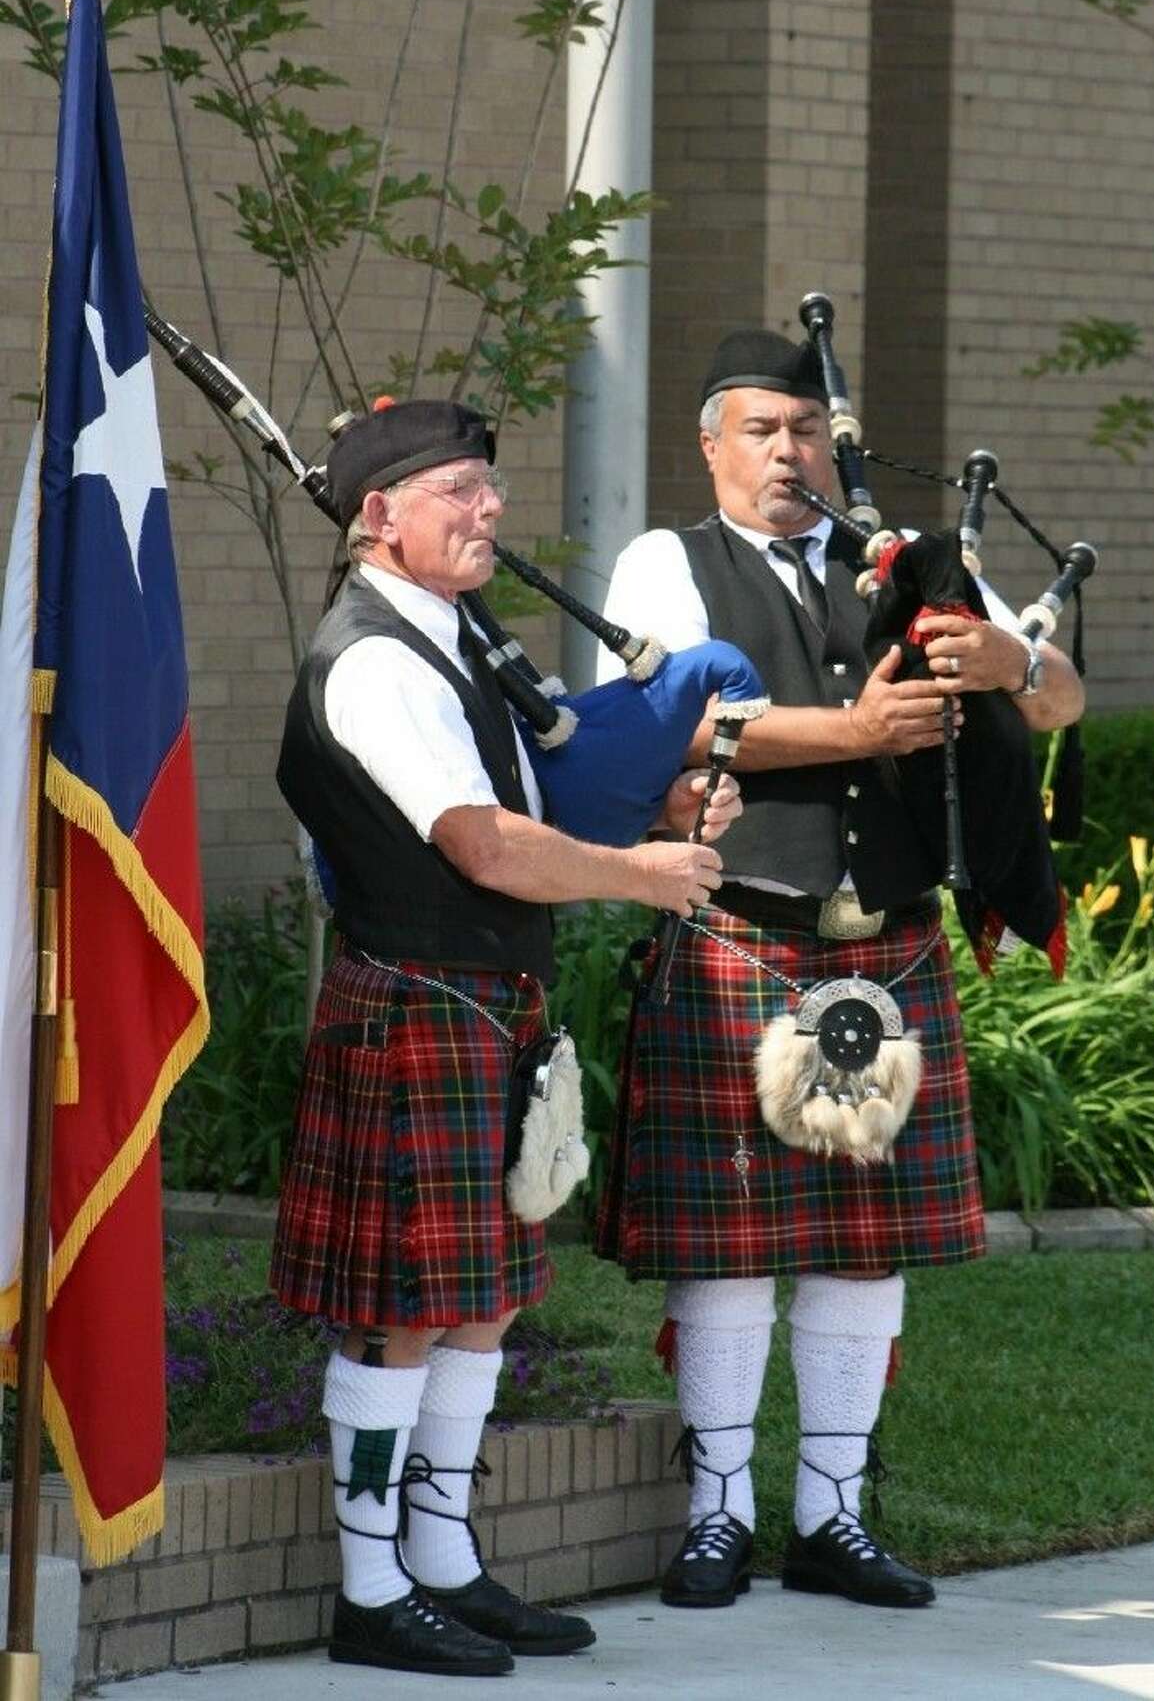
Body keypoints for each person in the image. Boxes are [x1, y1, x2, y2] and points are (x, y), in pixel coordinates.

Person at [595, 329, 1085, 1612]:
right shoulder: (669, 564)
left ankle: (830, 1517)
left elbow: (1063, 701)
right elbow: (669, 722)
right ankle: (715, 1517)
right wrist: (860, 731)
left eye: (805, 430)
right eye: (759, 430)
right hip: (745, 933)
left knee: (863, 1250)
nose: (787, 452)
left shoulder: (916, 564)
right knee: (733, 1249)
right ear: (710, 447)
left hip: (894, 942)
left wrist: (1009, 661)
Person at [271, 396, 739, 1677]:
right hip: (414, 1009)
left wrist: (672, 791)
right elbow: (479, 842)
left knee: (477, 1312)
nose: (490, 512)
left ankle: (444, 1561)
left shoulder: (458, 640)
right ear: (379, 517)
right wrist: (641, 874)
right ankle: (369, 1590)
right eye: (457, 491)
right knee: (400, 1319)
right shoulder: (372, 659)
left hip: (482, 1014)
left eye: (489, 487)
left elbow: (538, 794)